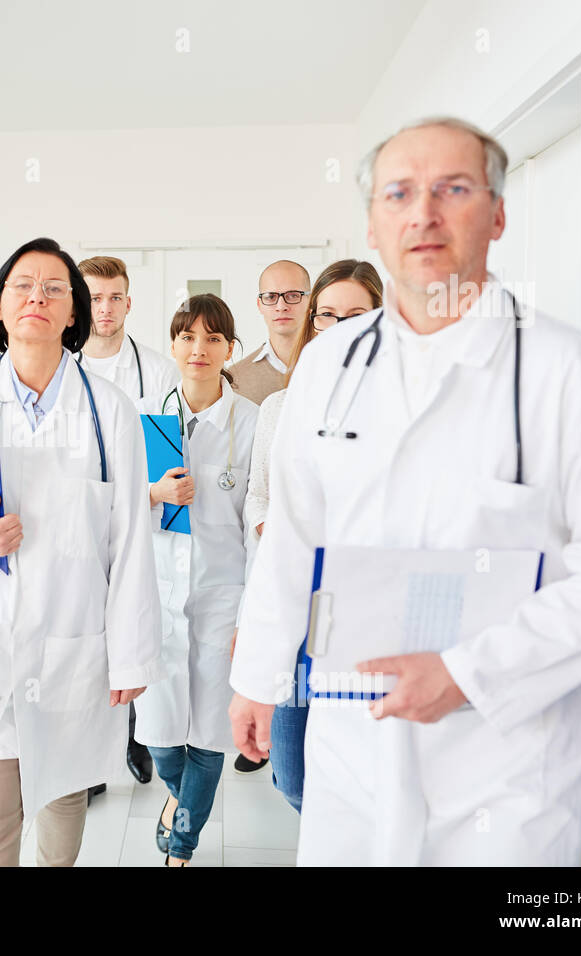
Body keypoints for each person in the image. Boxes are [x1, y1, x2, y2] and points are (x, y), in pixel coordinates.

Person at [228, 116, 581, 865]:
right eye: (399, 193)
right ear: (373, 226)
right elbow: (294, 534)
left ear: (498, 214)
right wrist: (259, 678)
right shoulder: (328, 365)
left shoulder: (570, 372)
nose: (423, 213)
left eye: (454, 189)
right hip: (354, 750)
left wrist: (470, 674)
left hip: (504, 766)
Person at [0, 237, 166, 866]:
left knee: (61, 815)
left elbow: (127, 539)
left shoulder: (109, 412)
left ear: (73, 313)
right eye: (23, 286)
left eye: (53, 288)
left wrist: (128, 657)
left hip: (74, 646)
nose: (37, 298)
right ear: (0, 307)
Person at [231, 259, 382, 785]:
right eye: (326, 316)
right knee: (291, 775)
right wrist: (268, 527)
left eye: (356, 316)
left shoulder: (396, 410)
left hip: (362, 612)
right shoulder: (280, 406)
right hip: (297, 604)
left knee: (358, 770)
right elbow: (258, 496)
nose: (338, 329)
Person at [134, 294, 259, 866]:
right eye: (188, 336)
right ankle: (180, 800)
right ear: (174, 344)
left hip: (221, 597)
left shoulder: (251, 423)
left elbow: (259, 527)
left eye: (213, 338)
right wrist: (154, 495)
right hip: (156, 594)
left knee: (209, 734)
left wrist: (254, 614)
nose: (199, 349)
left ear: (229, 348)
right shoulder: (144, 419)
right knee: (160, 736)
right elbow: (109, 507)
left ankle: (180, 848)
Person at [76, 255, 181, 791]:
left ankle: (136, 739)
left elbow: (165, 469)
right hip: (81, 532)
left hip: (142, 525)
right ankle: (93, 759)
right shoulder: (63, 369)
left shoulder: (159, 371)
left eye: (115, 297)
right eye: (95, 297)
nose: (105, 308)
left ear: (129, 302)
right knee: (88, 636)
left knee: (137, 627)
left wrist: (147, 495)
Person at [226, 260, 311, 404]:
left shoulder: (334, 364)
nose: (281, 306)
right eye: (271, 297)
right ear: (260, 305)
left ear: (310, 301)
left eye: (293, 295)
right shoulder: (234, 379)